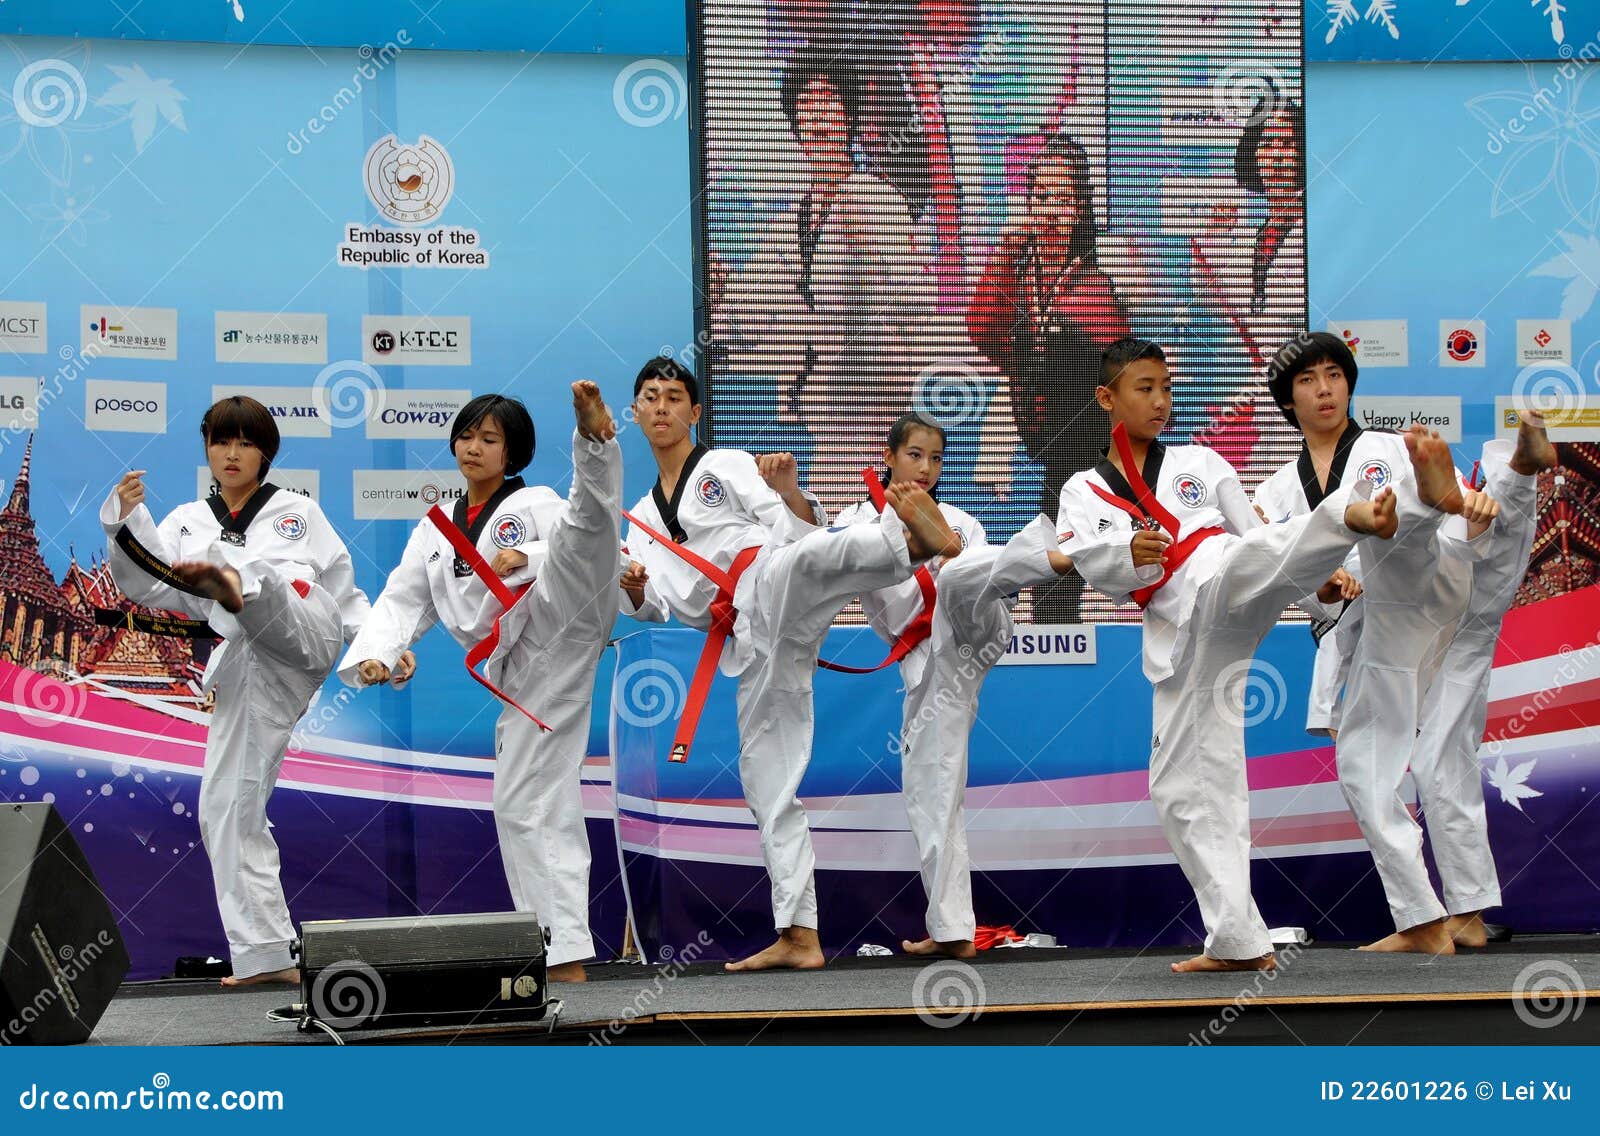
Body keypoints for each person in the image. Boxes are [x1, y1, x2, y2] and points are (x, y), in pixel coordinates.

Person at [1056, 338, 1403, 973]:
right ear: (1106, 398)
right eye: (1144, 388)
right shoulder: (1082, 489)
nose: (1161, 401)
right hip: (1183, 640)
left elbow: (1257, 535)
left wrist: (1314, 569)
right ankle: (1239, 941)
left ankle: (1344, 517)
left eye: (1166, 386)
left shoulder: (1200, 459)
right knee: (1185, 788)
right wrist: (1124, 555)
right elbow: (1092, 563)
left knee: (1230, 562)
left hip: (1227, 584)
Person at [619, 356, 960, 971]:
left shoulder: (721, 465)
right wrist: (638, 593)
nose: (663, 406)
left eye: (675, 396)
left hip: (767, 577)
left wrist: (790, 493)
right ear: (637, 412)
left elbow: (789, 527)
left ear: (695, 414)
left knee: (803, 563)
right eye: (650, 396)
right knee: (766, 779)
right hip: (745, 640)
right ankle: (800, 933)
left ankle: (906, 541)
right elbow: (658, 607)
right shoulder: (639, 520)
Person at [340, 385, 622, 983]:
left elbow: (597, 546)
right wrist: (380, 653)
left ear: (512, 453)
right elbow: (401, 598)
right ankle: (555, 946)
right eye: (466, 436)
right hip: (517, 666)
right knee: (525, 801)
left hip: (559, 629)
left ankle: (594, 441)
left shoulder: (536, 502)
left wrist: (528, 556)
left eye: (489, 439)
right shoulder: (439, 529)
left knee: (534, 799)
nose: (473, 447)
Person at [99, 395, 371, 986]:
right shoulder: (186, 520)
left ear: (265, 452)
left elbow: (346, 593)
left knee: (272, 583)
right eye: (221, 441)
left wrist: (379, 651)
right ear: (207, 448)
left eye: (245, 442)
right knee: (227, 806)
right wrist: (124, 520)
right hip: (249, 661)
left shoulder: (297, 510)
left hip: (305, 632)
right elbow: (148, 586)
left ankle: (241, 579)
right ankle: (267, 953)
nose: (232, 453)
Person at [1257, 331, 1500, 954]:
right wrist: (1323, 589)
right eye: (1308, 379)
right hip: (1371, 629)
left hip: (1423, 588)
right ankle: (1463, 914)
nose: (1325, 388)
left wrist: (1459, 504)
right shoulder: (1276, 492)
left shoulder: (1388, 446)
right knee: (1417, 761)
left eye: (1334, 374)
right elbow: (1289, 579)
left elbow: (1460, 533)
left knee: (1398, 537)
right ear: (1288, 399)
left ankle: (1428, 499)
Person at [833, 412, 1077, 958]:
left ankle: (1056, 557)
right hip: (929, 663)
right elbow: (814, 565)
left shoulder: (963, 519)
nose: (925, 467)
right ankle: (953, 930)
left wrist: (943, 544)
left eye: (936, 458)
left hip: (973, 628)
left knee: (964, 572)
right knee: (931, 790)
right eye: (915, 454)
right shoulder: (855, 523)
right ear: (889, 456)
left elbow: (973, 585)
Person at [968, 133, 1130, 620]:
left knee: (1066, 545)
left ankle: (1054, 623)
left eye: (1063, 198)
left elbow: (1117, 370)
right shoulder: (1018, 271)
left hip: (1080, 442)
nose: (1050, 210)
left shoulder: (1098, 278)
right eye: (1040, 197)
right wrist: (1002, 252)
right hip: (1032, 434)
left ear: (1081, 209)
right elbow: (983, 332)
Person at [1413, 411, 1556, 947]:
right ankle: (1517, 471)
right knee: (1445, 762)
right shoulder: (1297, 485)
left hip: (1428, 619)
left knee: (1436, 763)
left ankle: (1463, 913)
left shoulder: (1368, 464)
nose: (1323, 389)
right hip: (1437, 625)